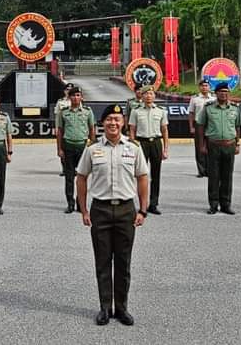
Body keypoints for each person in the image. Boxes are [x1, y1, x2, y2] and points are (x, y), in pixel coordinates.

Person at [76, 104, 149, 326]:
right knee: (103, 261)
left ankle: (122, 308)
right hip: (101, 210)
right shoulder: (92, 149)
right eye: (109, 119)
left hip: (127, 210)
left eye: (117, 119)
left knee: (124, 262)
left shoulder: (134, 148)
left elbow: (143, 178)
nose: (113, 123)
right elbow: (81, 177)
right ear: (103, 123)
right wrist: (84, 209)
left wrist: (143, 209)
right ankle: (105, 308)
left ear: (123, 122)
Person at [196, 83, 241, 215]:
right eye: (221, 92)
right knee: (214, 176)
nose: (224, 94)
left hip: (229, 145)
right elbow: (200, 126)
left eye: (226, 92)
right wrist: (202, 145)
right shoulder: (208, 108)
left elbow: (237, 127)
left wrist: (237, 144)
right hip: (213, 145)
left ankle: (226, 204)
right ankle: (213, 204)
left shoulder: (234, 109)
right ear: (216, 93)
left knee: (227, 176)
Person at [128, 85, 169, 215]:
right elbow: (132, 130)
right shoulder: (136, 111)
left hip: (156, 142)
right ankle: (142, 204)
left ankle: (153, 203)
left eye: (151, 94)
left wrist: (165, 148)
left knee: (156, 176)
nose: (148, 96)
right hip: (141, 143)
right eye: (146, 94)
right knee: (141, 175)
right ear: (142, 96)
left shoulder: (161, 111)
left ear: (154, 96)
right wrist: (133, 146)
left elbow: (164, 130)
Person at [56, 86, 95, 213]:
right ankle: (70, 203)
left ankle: (80, 203)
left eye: (78, 95)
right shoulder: (64, 112)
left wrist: (93, 147)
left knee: (82, 177)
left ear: (81, 97)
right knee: (69, 177)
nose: (76, 98)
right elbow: (60, 131)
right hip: (68, 146)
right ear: (69, 97)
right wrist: (59, 149)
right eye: (73, 95)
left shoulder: (87, 112)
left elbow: (91, 129)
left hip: (82, 146)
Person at [187, 79, 215, 177]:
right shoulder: (194, 99)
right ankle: (201, 171)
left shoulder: (214, 99)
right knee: (199, 148)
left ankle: (210, 170)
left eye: (206, 85)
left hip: (211, 125)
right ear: (199, 87)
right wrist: (191, 127)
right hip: (199, 125)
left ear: (209, 87)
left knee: (211, 148)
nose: (204, 87)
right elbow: (191, 113)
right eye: (202, 86)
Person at [53, 83, 75, 176]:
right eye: (67, 90)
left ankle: (73, 169)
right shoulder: (60, 102)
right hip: (63, 128)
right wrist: (56, 128)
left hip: (73, 128)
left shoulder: (77, 101)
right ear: (64, 91)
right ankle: (65, 169)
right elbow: (57, 116)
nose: (68, 91)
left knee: (73, 149)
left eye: (71, 90)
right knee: (62, 148)